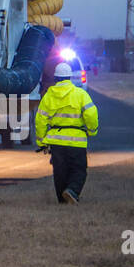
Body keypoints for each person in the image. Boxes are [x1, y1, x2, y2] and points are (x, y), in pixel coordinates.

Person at [34, 63, 99, 204]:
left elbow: (40, 120)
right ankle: (72, 191)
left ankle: (62, 201)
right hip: (77, 141)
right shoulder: (80, 94)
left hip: (56, 142)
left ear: (55, 78)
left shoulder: (48, 96)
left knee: (60, 173)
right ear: (69, 77)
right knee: (79, 170)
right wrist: (92, 131)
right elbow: (91, 114)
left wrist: (41, 141)